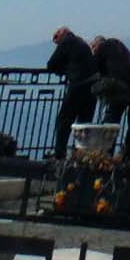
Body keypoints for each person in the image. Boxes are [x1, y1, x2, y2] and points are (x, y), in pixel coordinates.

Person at [91, 34, 130, 162]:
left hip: (121, 85)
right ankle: (127, 153)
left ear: (98, 44)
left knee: (111, 119)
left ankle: (106, 152)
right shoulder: (117, 46)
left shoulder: (103, 48)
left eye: (93, 46)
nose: (93, 50)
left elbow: (92, 67)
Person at [46, 25, 100, 160]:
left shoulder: (67, 42)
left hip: (79, 85)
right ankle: (81, 156)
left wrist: (64, 70)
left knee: (64, 119)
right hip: (93, 86)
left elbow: (51, 64)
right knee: (84, 123)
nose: (55, 41)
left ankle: (59, 155)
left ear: (62, 34)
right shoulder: (81, 42)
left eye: (56, 38)